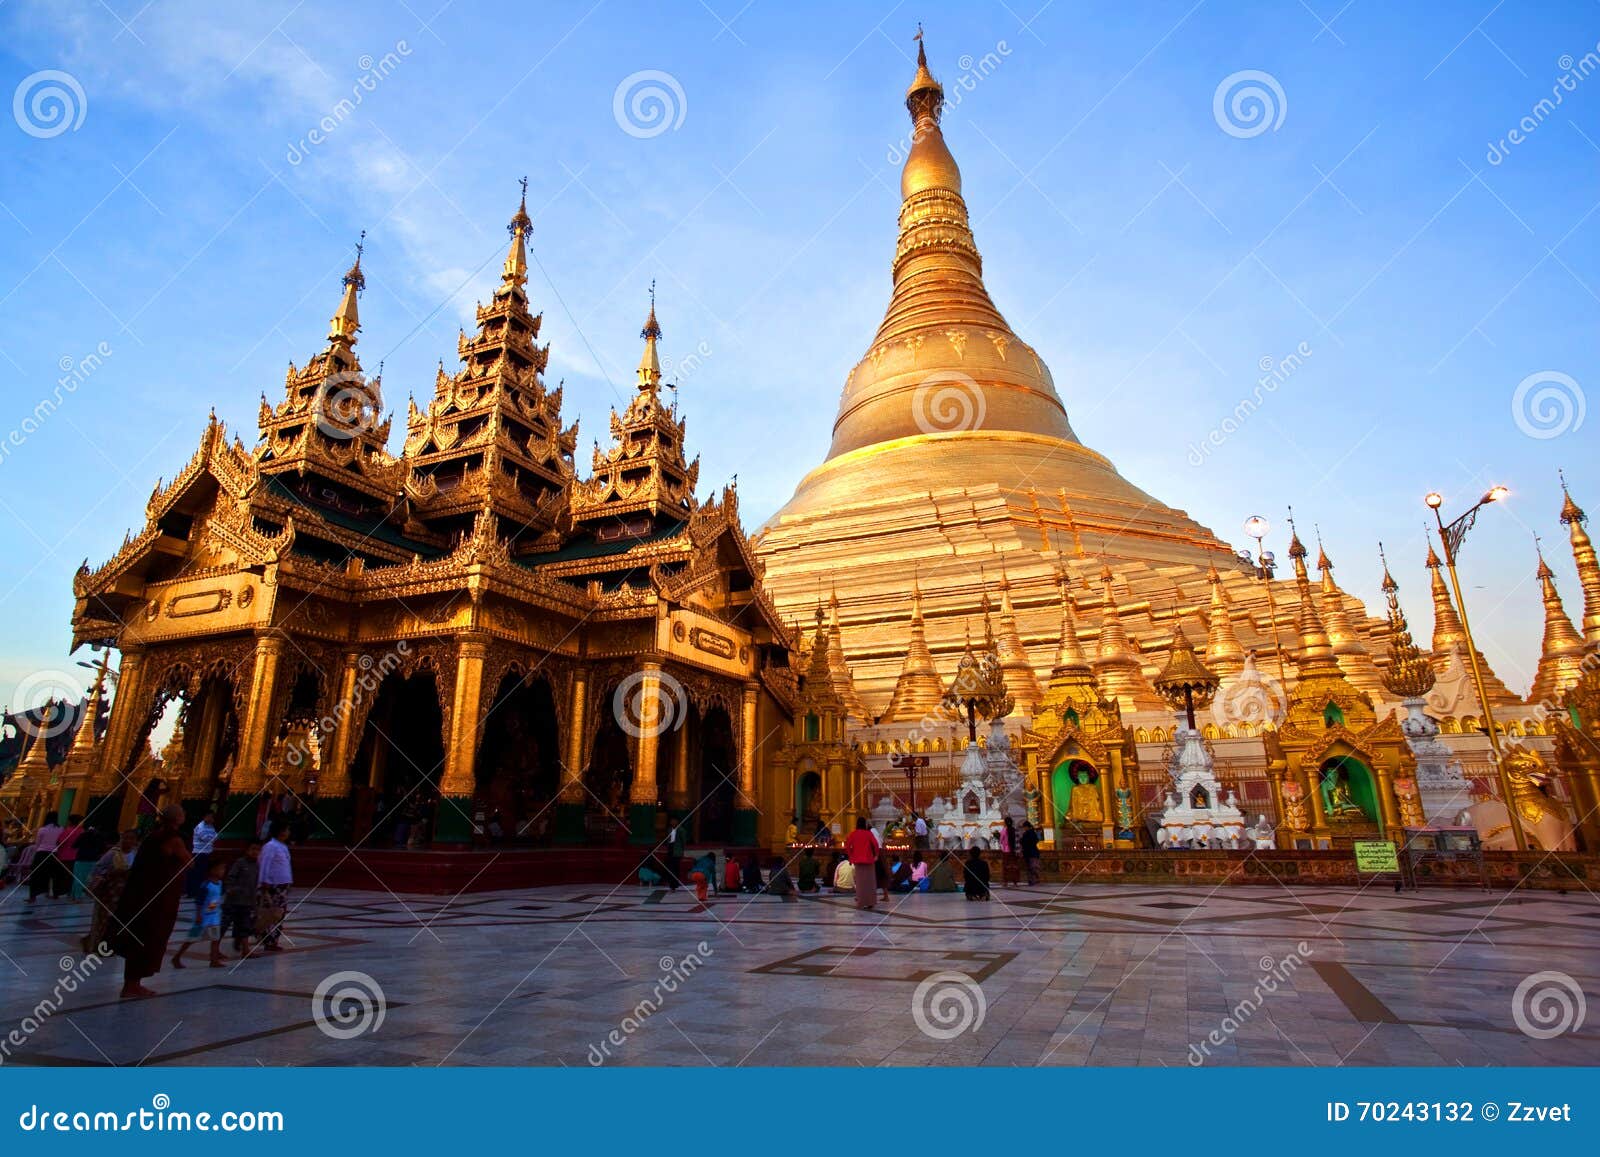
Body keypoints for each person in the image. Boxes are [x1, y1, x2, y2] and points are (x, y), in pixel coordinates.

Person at [110, 805, 191, 998]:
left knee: (139, 936)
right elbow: (189, 862)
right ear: (178, 819)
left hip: (142, 893)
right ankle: (132, 984)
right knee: (148, 936)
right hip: (157, 897)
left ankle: (131, 983)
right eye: (182, 813)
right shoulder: (173, 840)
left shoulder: (152, 836)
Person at [82, 828, 138, 955]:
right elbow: (97, 868)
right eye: (125, 838)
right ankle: (99, 945)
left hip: (124, 893)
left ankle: (106, 945)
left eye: (131, 838)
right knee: (104, 920)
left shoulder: (135, 854)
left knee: (116, 921)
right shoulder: (113, 853)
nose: (128, 841)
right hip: (109, 892)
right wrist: (110, 873)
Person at [172, 859, 226, 969]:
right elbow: (199, 901)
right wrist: (198, 915)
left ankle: (214, 960)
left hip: (214, 916)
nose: (222, 871)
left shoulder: (220, 883)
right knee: (192, 938)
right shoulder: (206, 885)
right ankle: (177, 957)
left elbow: (216, 899)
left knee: (215, 938)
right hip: (203, 916)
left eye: (223, 869)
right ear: (212, 870)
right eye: (220, 869)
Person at [256, 819, 293, 951]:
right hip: (273, 885)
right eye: (287, 829)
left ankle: (274, 939)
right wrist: (263, 881)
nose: (288, 832)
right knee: (271, 912)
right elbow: (264, 864)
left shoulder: (282, 846)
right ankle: (268, 940)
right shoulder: (271, 846)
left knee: (279, 913)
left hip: (283, 885)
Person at [222, 842, 260, 956]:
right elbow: (230, 878)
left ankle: (245, 950)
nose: (255, 852)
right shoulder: (240, 863)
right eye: (253, 849)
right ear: (247, 850)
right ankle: (214, 950)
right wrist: (230, 889)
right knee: (223, 926)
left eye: (258, 850)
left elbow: (254, 885)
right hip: (233, 901)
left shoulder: (257, 865)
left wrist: (254, 904)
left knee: (245, 926)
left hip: (246, 902)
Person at [27, 815, 67, 902]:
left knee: (36, 875)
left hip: (41, 853)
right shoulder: (61, 829)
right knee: (54, 875)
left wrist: (35, 853)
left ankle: (32, 896)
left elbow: (38, 843)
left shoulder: (42, 829)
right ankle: (55, 894)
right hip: (54, 853)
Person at [844, 817, 879, 911]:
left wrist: (851, 856)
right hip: (869, 860)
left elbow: (847, 846)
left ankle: (861, 902)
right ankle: (871, 902)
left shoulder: (853, 834)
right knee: (870, 882)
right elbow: (875, 844)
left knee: (860, 883)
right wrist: (876, 855)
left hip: (858, 860)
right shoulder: (868, 833)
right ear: (865, 824)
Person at [71, 820, 108, 901]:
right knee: (87, 879)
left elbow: (74, 846)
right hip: (93, 860)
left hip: (80, 859)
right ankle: (79, 896)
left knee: (78, 878)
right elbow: (102, 849)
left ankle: (75, 896)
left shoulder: (83, 835)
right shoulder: (100, 837)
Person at [187, 809, 218, 898]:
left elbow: (216, 836)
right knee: (196, 874)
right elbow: (206, 838)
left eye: (213, 817)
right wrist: (211, 837)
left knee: (202, 874)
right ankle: (192, 892)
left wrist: (211, 837)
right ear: (205, 817)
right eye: (211, 817)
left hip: (207, 853)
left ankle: (198, 891)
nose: (212, 819)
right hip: (199, 853)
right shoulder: (200, 827)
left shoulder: (211, 827)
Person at [1000, 815, 1021, 887]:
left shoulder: (1004, 830)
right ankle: (1015, 882)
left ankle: (1005, 882)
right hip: (1014, 851)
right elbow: (1018, 841)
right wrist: (1018, 851)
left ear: (1005, 823)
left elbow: (1001, 840)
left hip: (1006, 851)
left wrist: (1003, 847)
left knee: (1006, 867)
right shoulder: (1015, 829)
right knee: (1014, 867)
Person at [1020, 819, 1043, 885]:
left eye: (1024, 827)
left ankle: (1033, 880)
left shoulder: (1028, 833)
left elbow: (1024, 842)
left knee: (1032, 867)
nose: (1024, 828)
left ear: (1027, 827)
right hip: (1032, 852)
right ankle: (1033, 879)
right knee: (1032, 867)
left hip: (1030, 852)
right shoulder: (1032, 833)